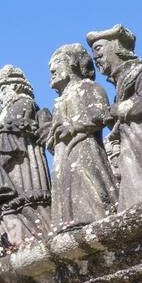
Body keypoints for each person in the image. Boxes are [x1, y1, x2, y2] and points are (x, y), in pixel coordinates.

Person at [86, 25, 142, 210]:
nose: (95, 57)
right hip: (131, 145)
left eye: (99, 49)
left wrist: (117, 109)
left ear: (116, 46)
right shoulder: (121, 83)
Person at [44, 43, 117, 227]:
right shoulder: (59, 102)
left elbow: (101, 115)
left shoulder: (88, 87)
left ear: (73, 63)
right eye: (50, 67)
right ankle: (68, 223)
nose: (52, 69)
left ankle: (95, 216)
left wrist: (73, 126)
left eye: (58, 62)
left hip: (84, 148)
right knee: (64, 184)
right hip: (63, 155)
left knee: (87, 183)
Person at [0, 65, 52, 243]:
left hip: (22, 156)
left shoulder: (23, 102)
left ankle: (36, 231)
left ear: (15, 86)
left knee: (25, 193)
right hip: (12, 156)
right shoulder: (5, 109)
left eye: (3, 89)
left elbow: (17, 129)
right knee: (14, 197)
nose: (0, 96)